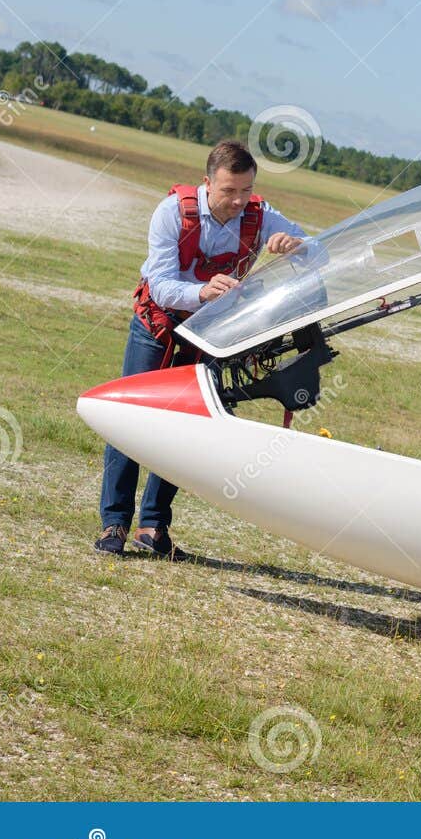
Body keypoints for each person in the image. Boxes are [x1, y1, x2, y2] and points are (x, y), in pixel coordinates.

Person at [95, 139, 306, 559]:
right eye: (229, 191)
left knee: (187, 425)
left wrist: (294, 245)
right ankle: (114, 523)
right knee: (130, 417)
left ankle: (153, 527)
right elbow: (160, 285)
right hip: (158, 324)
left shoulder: (260, 214)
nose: (238, 201)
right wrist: (203, 292)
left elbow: (318, 247)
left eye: (246, 190)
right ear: (207, 182)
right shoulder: (171, 213)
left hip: (210, 332)